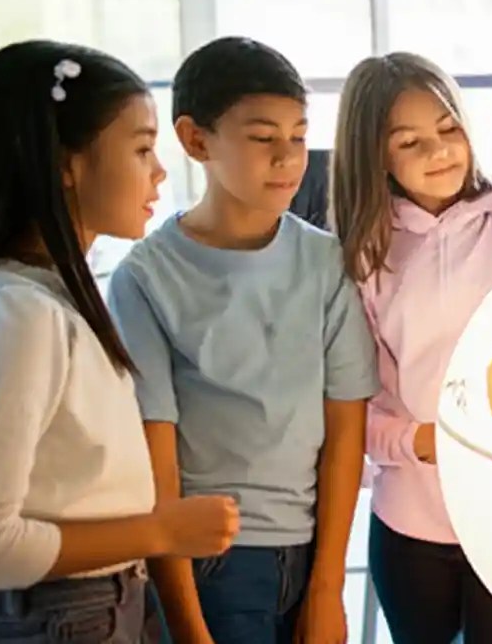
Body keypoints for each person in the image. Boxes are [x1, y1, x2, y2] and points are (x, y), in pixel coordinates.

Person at [106, 37, 379, 644]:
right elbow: (158, 467)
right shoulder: (146, 277)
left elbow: (344, 433)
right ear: (196, 139)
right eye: (262, 138)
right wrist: (188, 624)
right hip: (212, 562)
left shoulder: (325, 260)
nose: (287, 157)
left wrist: (329, 586)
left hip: (309, 551)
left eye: (299, 136)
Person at [0, 40, 239, 641]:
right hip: (65, 612)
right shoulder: (21, 313)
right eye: (142, 147)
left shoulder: (57, 297)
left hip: (104, 601)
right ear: (65, 162)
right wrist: (163, 531)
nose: (160, 171)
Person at [331, 51, 492, 643]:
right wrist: (418, 442)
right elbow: (355, 410)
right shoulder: (362, 261)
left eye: (448, 130)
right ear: (377, 155)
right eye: (410, 142)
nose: (439, 151)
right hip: (409, 528)